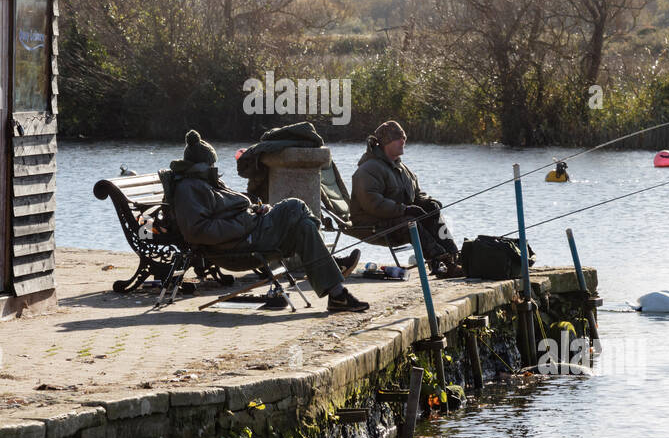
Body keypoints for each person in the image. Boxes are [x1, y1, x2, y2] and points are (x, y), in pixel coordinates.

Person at [172, 131, 369, 312]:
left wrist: (255, 209)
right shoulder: (190, 188)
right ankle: (332, 268)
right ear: (204, 164)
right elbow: (197, 230)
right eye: (212, 164)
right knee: (294, 206)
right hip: (241, 244)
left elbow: (228, 210)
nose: (215, 167)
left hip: (253, 232)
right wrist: (246, 221)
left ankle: (337, 296)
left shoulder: (206, 183)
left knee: (305, 226)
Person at [351, 120, 461, 277]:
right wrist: (404, 209)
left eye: (404, 138)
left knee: (431, 210)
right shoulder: (368, 169)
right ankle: (443, 264)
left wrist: (428, 202)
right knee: (410, 222)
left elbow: (417, 194)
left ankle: (453, 255)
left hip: (395, 218)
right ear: (385, 142)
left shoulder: (402, 168)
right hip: (371, 223)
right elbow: (373, 204)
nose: (403, 141)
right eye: (398, 138)